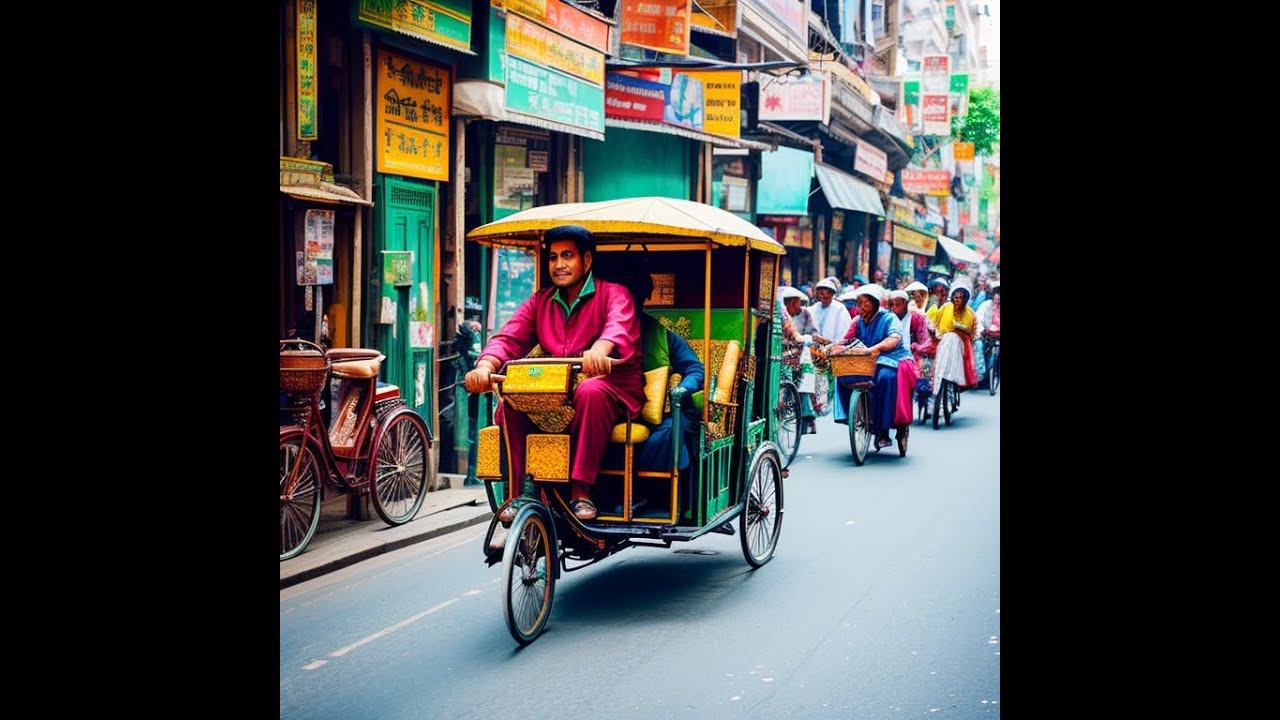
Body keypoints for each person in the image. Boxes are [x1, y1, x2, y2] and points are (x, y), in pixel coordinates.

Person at [464, 225, 644, 522]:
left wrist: (599, 351)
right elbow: (508, 338)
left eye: (567, 256)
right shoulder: (541, 301)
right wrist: (485, 366)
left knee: (591, 391)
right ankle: (519, 492)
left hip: (610, 388)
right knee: (510, 402)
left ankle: (580, 490)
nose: (559, 264)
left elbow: (618, 328)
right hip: (556, 391)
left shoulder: (614, 294)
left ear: (586, 261)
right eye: (553, 257)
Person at [617, 269, 705, 473]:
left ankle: (651, 491)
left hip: (663, 414)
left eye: (637, 294)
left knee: (668, 432)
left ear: (646, 297)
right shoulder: (602, 332)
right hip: (619, 409)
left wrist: (682, 389)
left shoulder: (661, 334)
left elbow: (695, 369)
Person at [828, 284, 913, 449]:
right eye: (859, 303)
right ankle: (853, 416)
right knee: (842, 375)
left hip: (890, 358)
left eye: (865, 303)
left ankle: (883, 430)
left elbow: (895, 338)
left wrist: (874, 349)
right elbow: (845, 340)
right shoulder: (857, 321)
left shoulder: (889, 318)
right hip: (865, 360)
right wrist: (831, 350)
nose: (861, 307)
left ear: (874, 303)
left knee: (885, 378)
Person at [778, 285, 820, 434]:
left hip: (800, 350)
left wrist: (806, 340)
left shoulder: (805, 314)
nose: (798, 305)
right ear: (788, 303)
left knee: (805, 377)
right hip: (784, 351)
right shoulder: (782, 314)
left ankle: (808, 416)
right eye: (795, 302)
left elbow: (812, 333)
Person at [808, 277, 852, 417]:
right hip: (814, 346)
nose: (824, 295)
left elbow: (843, 336)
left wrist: (827, 342)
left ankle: (825, 401)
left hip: (833, 346)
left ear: (833, 294)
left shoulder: (840, 309)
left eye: (828, 292)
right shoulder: (812, 309)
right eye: (821, 292)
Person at [932, 281, 980, 399]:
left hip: (961, 344)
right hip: (941, 340)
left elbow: (973, 332)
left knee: (952, 338)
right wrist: (937, 333)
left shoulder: (970, 313)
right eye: (956, 297)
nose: (958, 300)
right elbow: (935, 323)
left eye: (961, 298)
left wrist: (961, 330)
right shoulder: (945, 308)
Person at [886, 290, 924, 430]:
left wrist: (917, 346)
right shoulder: (886, 318)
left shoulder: (915, 318)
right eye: (892, 305)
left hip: (911, 355)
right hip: (887, 355)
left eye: (898, 304)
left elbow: (923, 339)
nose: (895, 308)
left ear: (906, 304)